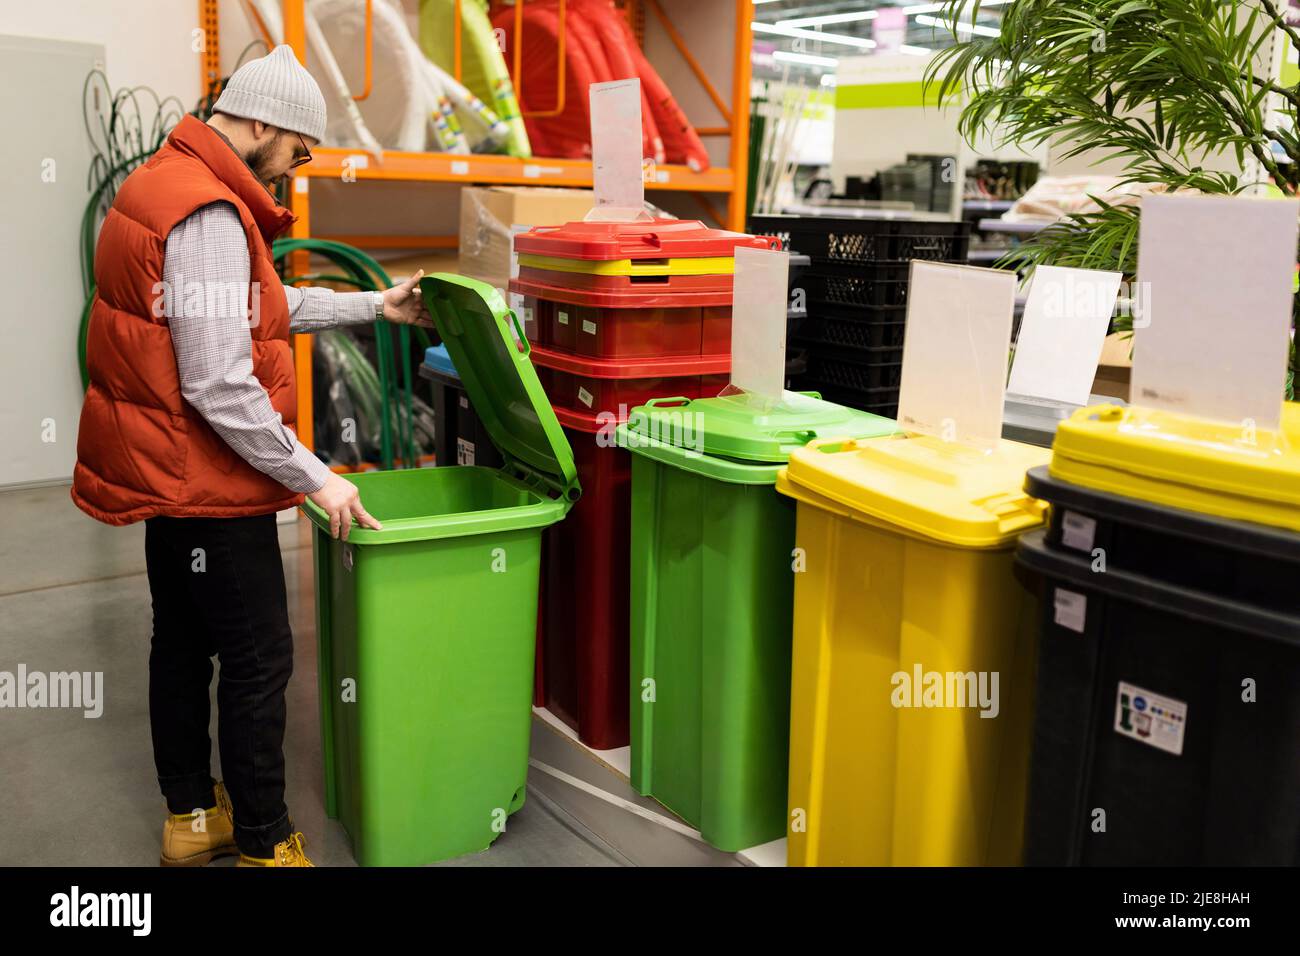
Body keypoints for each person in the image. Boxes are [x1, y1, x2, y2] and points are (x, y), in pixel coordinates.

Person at [71, 45, 431, 867]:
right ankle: (269, 843)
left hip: (169, 474)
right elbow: (220, 381)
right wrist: (319, 478)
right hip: (212, 483)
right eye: (298, 150)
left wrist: (377, 304)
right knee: (259, 660)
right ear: (262, 122)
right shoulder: (205, 213)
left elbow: (257, 305)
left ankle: (192, 819)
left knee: (183, 644)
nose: (297, 169)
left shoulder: (165, 181)